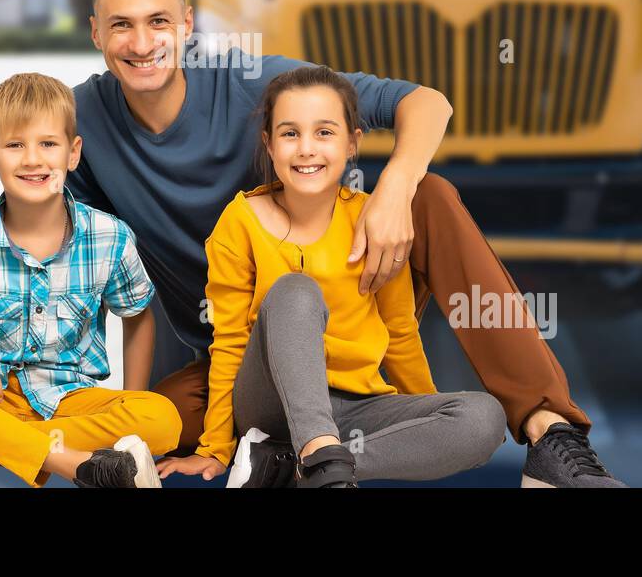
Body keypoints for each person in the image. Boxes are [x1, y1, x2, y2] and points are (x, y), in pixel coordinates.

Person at [67, 0, 626, 488]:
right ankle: (295, 454)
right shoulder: (79, 125)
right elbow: (67, 251)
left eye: (158, 20)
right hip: (244, 358)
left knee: (429, 196)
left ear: (188, 24)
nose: (142, 43)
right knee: (152, 427)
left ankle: (548, 428)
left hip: (357, 309)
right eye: (122, 25)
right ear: (96, 33)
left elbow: (427, 103)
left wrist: (392, 191)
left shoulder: (258, 86)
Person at [158, 65, 508, 487]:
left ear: (352, 143)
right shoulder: (241, 221)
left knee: (483, 418)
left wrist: (426, 413)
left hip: (358, 408)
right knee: (295, 291)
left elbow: (399, 332)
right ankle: (318, 455)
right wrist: (215, 450)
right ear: (269, 144)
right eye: (290, 134)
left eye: (324, 133)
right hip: (272, 405)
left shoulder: (374, 220)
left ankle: (305, 467)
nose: (307, 149)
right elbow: (229, 342)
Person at [0, 73, 180, 487]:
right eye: (14, 145)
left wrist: (132, 409)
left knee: (162, 419)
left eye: (48, 144)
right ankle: (75, 463)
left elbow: (138, 318)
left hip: (70, 400)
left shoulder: (110, 237)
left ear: (73, 153)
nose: (33, 160)